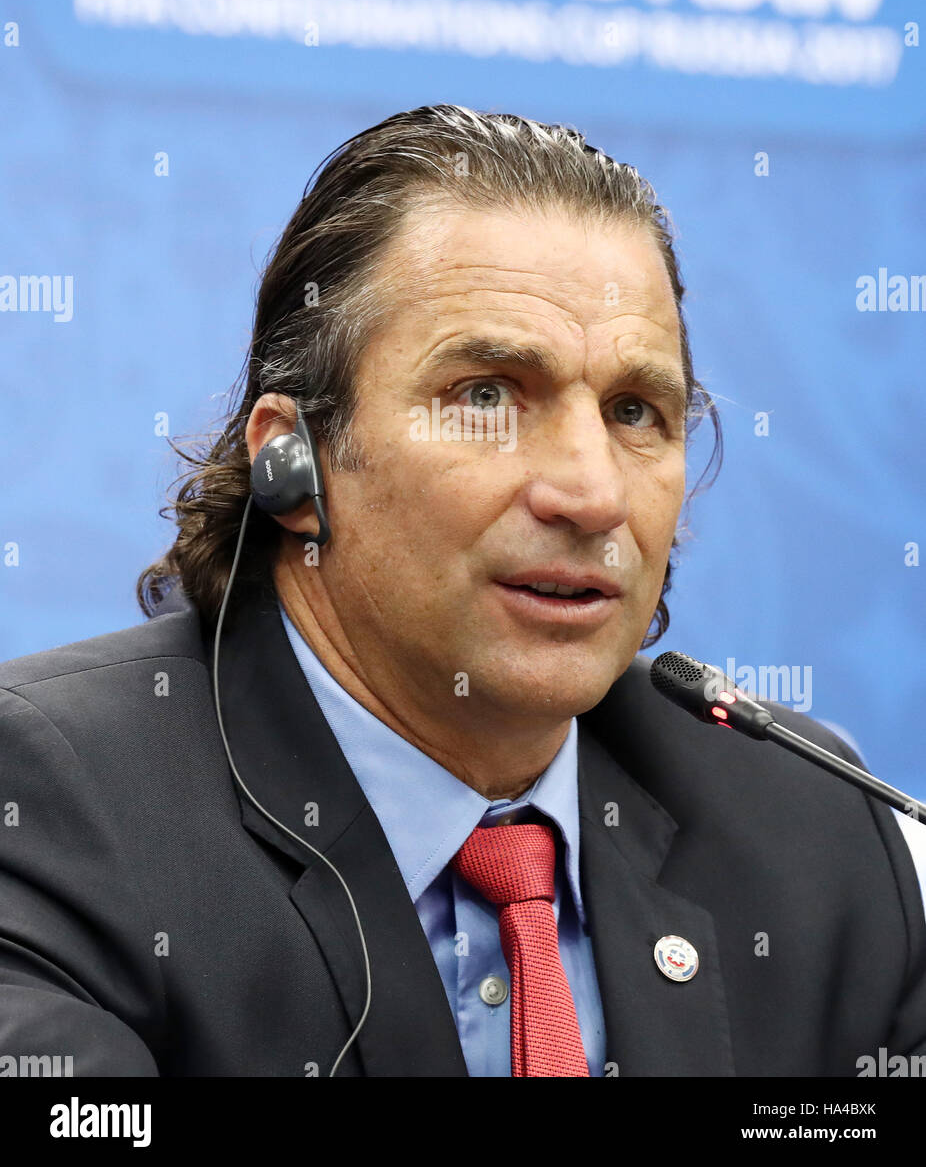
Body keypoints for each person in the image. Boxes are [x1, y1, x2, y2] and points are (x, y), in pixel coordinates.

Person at [0, 104, 923, 1078]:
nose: (594, 496)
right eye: (486, 396)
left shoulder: (811, 826)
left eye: (633, 411)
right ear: (294, 467)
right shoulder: (54, 805)